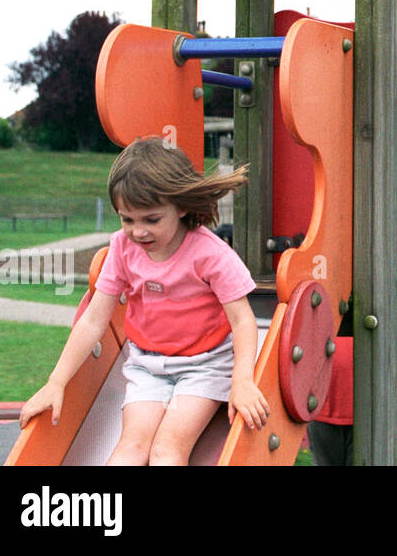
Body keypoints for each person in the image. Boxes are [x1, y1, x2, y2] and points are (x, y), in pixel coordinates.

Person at [19, 138, 268, 464]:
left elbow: (242, 319)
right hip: (147, 366)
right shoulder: (122, 248)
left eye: (151, 219)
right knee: (131, 447)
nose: (138, 232)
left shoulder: (210, 254)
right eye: (127, 219)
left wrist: (243, 381)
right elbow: (94, 319)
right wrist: (56, 382)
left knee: (167, 448)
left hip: (205, 365)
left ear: (181, 207)